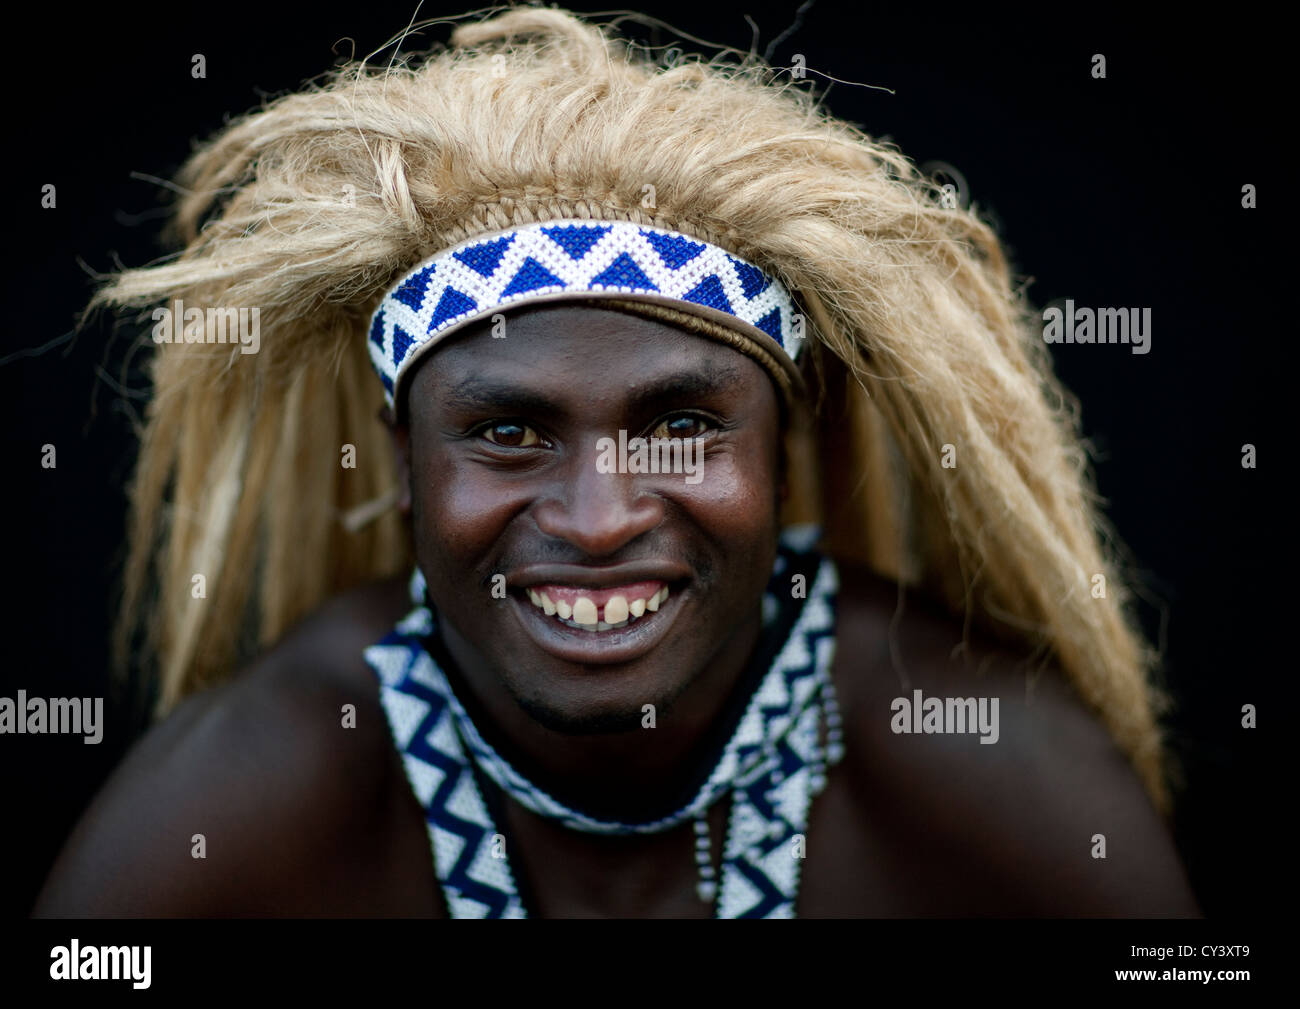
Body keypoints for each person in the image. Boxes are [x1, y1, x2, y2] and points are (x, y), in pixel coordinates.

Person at [34, 6, 1198, 917]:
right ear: (402, 462)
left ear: (785, 450)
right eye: (508, 433)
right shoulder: (262, 783)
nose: (596, 518)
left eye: (683, 425)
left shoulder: (981, 759)